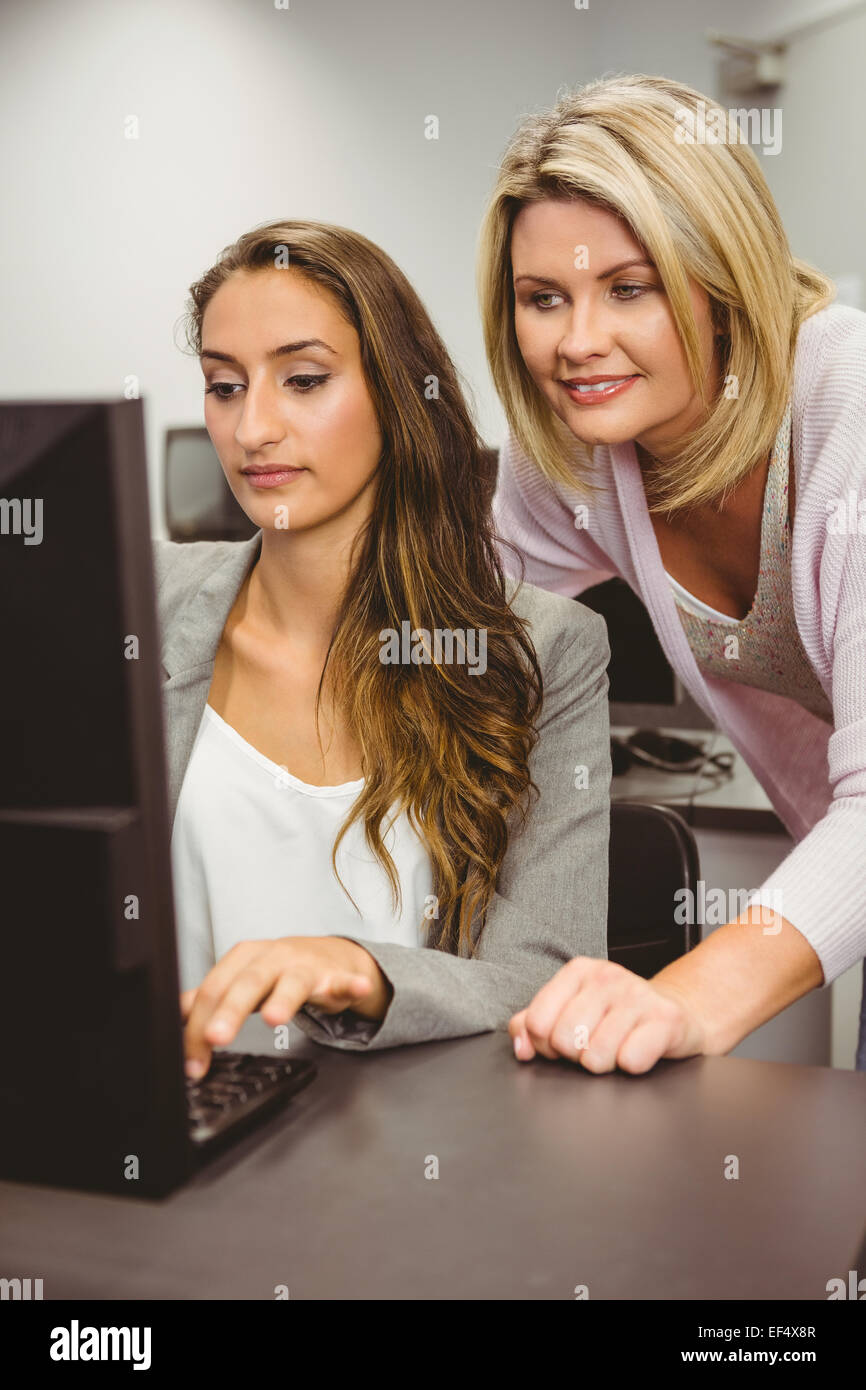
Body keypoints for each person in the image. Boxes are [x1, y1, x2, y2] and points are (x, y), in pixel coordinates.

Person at [154, 218, 612, 1079]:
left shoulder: (543, 652)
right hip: (174, 1126)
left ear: (399, 393)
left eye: (303, 380)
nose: (252, 429)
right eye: (224, 386)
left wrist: (364, 970)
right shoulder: (141, 605)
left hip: (410, 1153)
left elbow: (545, 980)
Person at [477, 73, 866, 1074]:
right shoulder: (575, 453)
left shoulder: (846, 415)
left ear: (720, 277)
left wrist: (676, 1003)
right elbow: (465, 667)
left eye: (628, 287)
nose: (575, 343)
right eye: (541, 298)